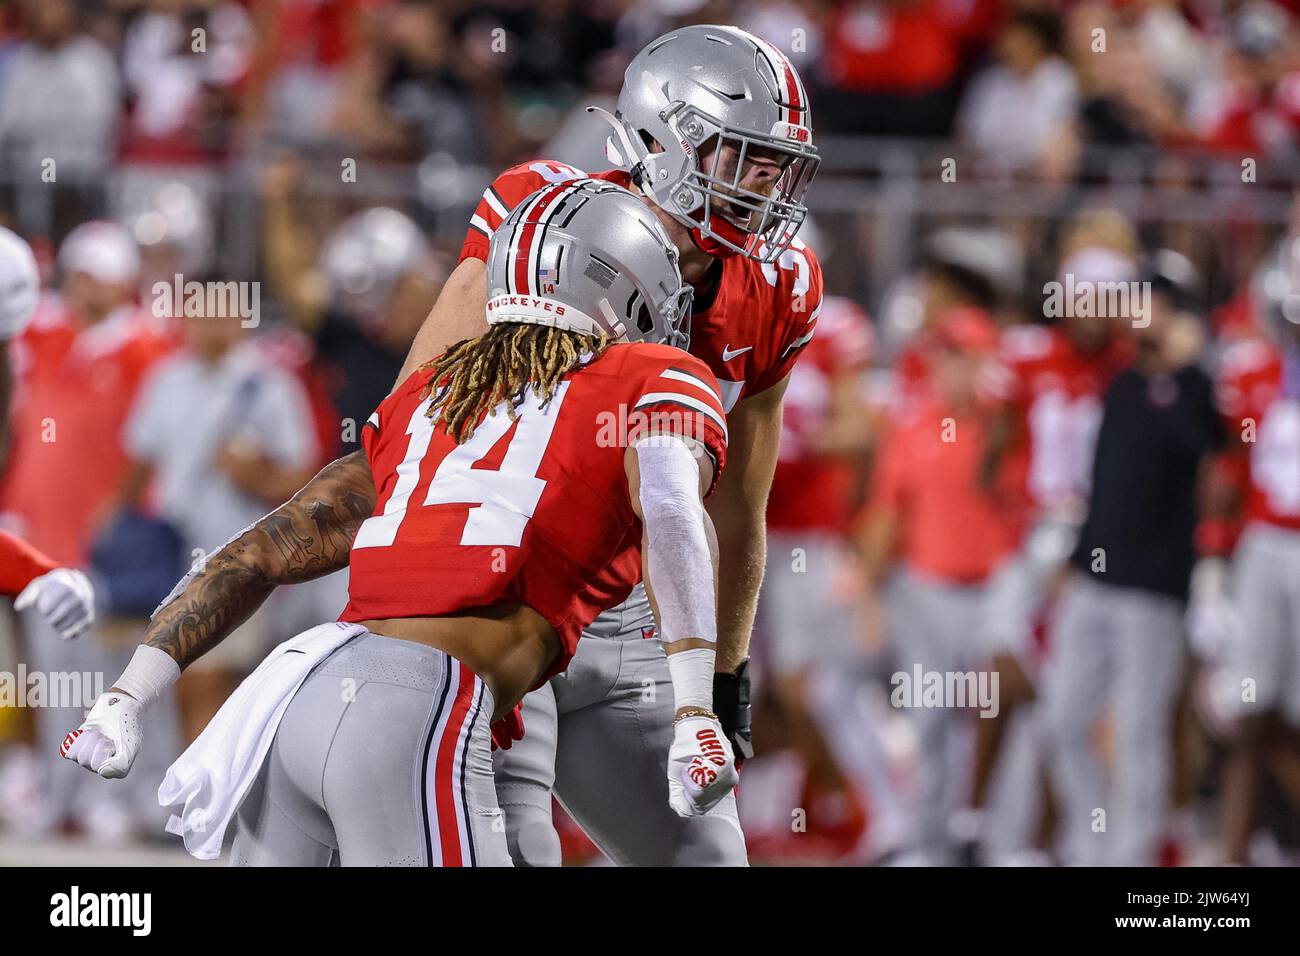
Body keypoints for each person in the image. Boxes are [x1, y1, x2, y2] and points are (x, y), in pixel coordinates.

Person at [61, 179, 738, 866]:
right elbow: (673, 512)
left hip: (301, 695)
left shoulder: (432, 390)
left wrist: (130, 691)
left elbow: (269, 544)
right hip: (417, 707)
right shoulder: (655, 373)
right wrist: (694, 709)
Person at [1041, 260, 1220, 866]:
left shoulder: (1197, 385)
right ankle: (1089, 847)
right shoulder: (1118, 382)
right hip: (1094, 578)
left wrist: (1187, 365)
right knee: (1063, 717)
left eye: (1150, 301)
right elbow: (1104, 484)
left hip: (1156, 587)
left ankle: (1133, 860)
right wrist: (1073, 559)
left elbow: (1212, 456)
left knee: (1140, 733)